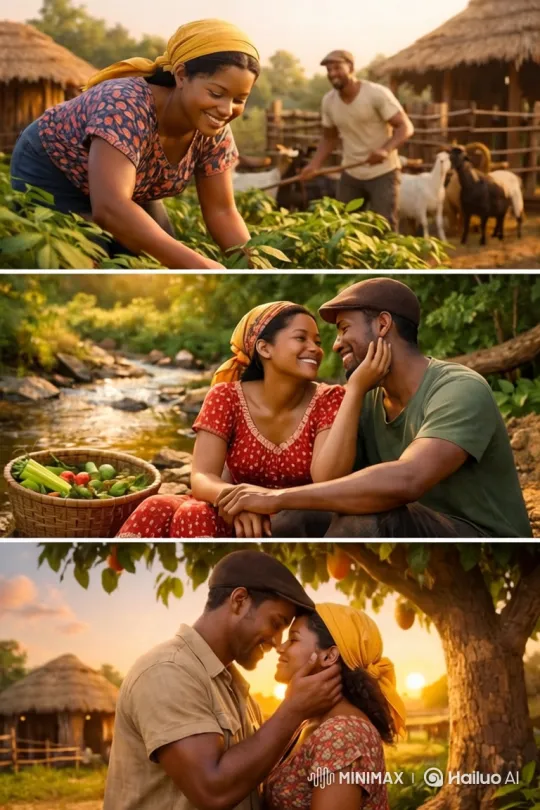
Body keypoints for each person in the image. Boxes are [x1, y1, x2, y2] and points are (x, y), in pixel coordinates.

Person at [216, 278, 532, 538]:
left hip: (478, 540)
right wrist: (353, 391)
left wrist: (277, 497)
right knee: (292, 518)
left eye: (343, 328)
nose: (335, 344)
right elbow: (325, 482)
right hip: (411, 529)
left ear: (382, 325)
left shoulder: (459, 388)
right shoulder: (365, 399)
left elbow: (409, 479)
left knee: (362, 522)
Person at [116, 300, 391, 538]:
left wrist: (354, 388)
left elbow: (327, 478)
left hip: (296, 520)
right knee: (160, 506)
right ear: (265, 348)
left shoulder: (330, 399)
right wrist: (242, 503)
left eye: (317, 342)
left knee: (191, 512)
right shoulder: (226, 397)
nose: (316, 349)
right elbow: (201, 476)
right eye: (301, 338)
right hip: (238, 514)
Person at [10, 20, 260, 269]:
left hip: (128, 188)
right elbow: (110, 208)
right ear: (182, 76)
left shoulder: (215, 131)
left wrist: (255, 266)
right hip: (55, 170)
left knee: (157, 262)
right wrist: (201, 266)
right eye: (216, 94)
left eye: (239, 99)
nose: (227, 109)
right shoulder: (125, 104)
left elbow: (222, 212)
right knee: (88, 260)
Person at [103, 550, 343, 810]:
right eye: (276, 623)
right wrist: (294, 710)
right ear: (239, 601)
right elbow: (212, 791)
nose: (276, 643)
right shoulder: (168, 671)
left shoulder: (238, 692)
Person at [266, 603, 405, 810]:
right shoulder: (310, 721)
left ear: (329, 656)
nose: (280, 647)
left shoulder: (340, 734)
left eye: (293, 639)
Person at [300, 50, 413, 232]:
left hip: (383, 173)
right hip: (350, 172)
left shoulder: (376, 94)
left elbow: (405, 127)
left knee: (383, 229)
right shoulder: (328, 101)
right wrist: (314, 165)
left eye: (337, 68)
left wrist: (385, 150)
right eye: (328, 70)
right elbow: (329, 138)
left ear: (351, 68)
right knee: (343, 228)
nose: (332, 73)